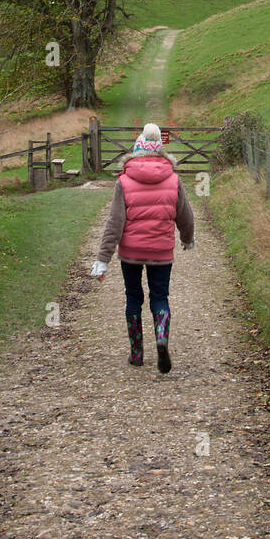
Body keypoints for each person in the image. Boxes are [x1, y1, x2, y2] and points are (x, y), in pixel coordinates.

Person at [90, 122, 194, 372]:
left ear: (137, 149)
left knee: (133, 297)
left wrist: (103, 259)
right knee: (160, 296)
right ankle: (161, 337)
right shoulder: (173, 179)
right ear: (160, 151)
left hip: (131, 253)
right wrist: (187, 239)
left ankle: (137, 353)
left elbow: (115, 223)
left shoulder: (124, 180)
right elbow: (185, 215)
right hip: (161, 251)